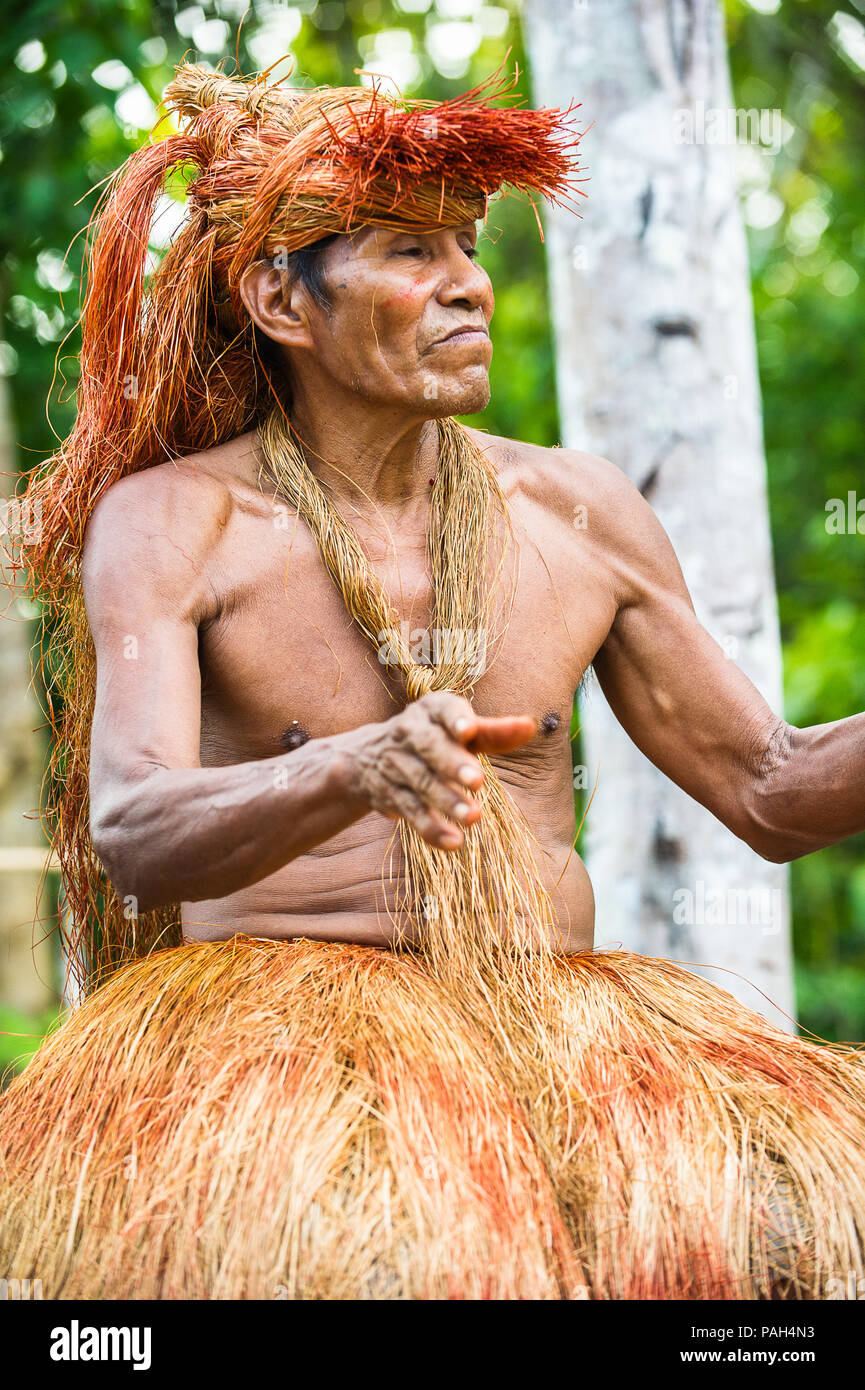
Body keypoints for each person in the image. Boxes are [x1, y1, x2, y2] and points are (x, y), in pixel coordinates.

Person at [2, 60, 864, 1302]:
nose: (468, 281)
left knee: (787, 1238)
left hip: (567, 1031)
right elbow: (134, 826)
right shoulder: (178, 523)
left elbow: (771, 791)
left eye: (469, 246)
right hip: (285, 1049)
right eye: (411, 250)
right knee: (387, 1268)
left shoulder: (579, 513)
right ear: (280, 300)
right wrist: (352, 765)